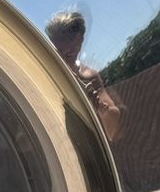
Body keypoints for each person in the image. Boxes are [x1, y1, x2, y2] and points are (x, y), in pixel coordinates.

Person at [45, 7, 123, 139]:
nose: (65, 54)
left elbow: (112, 121)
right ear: (51, 44)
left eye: (71, 48)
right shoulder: (45, 73)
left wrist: (100, 109)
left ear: (80, 43)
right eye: (58, 51)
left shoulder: (89, 76)